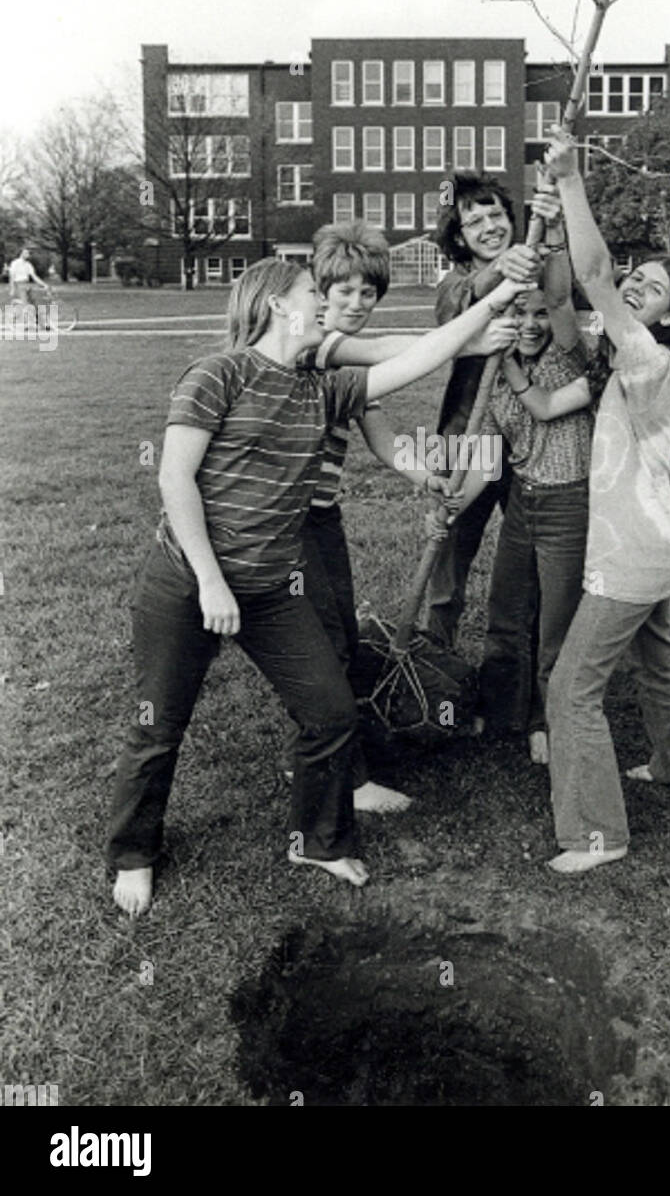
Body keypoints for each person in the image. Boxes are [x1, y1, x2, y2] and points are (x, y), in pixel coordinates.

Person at [108, 252, 534, 917]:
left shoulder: (327, 388)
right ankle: (134, 853)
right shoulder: (217, 374)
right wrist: (212, 583)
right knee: (159, 725)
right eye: (315, 291)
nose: (328, 303)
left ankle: (317, 839)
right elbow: (174, 481)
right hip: (187, 581)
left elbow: (419, 358)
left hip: (272, 587)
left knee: (332, 710)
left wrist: (499, 294)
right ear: (280, 304)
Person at [516, 130, 670, 873]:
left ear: (666, 316)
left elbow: (593, 273)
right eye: (638, 277)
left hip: (634, 549)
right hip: (661, 543)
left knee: (572, 690)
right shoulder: (645, 362)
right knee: (656, 655)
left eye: (652, 288)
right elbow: (580, 286)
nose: (634, 285)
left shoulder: (650, 357)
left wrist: (571, 180)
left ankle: (597, 835)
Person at [289, 221, 517, 810]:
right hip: (284, 522)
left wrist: (429, 477)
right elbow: (408, 353)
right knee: (315, 647)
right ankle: (342, 776)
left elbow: (382, 438)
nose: (356, 304)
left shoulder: (350, 363)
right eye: (343, 292)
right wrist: (471, 339)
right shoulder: (311, 341)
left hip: (321, 516)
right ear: (318, 290)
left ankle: (345, 757)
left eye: (368, 294)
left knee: (333, 640)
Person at [448, 191, 610, 763]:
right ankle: (500, 715)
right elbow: (487, 458)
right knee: (504, 618)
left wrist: (560, 213)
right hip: (524, 504)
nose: (532, 322)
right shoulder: (497, 371)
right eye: (520, 312)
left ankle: (549, 719)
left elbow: (563, 294)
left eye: (540, 313)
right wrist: (454, 502)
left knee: (554, 628)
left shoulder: (573, 356)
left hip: (569, 505)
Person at [422, 171, 523, 648]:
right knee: (447, 559)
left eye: (496, 214)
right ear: (459, 236)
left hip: (531, 438)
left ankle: (520, 677)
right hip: (468, 433)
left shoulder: (537, 267)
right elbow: (458, 308)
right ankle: (436, 659)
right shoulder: (454, 282)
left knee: (529, 564)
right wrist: (505, 270)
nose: (489, 226)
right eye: (474, 220)